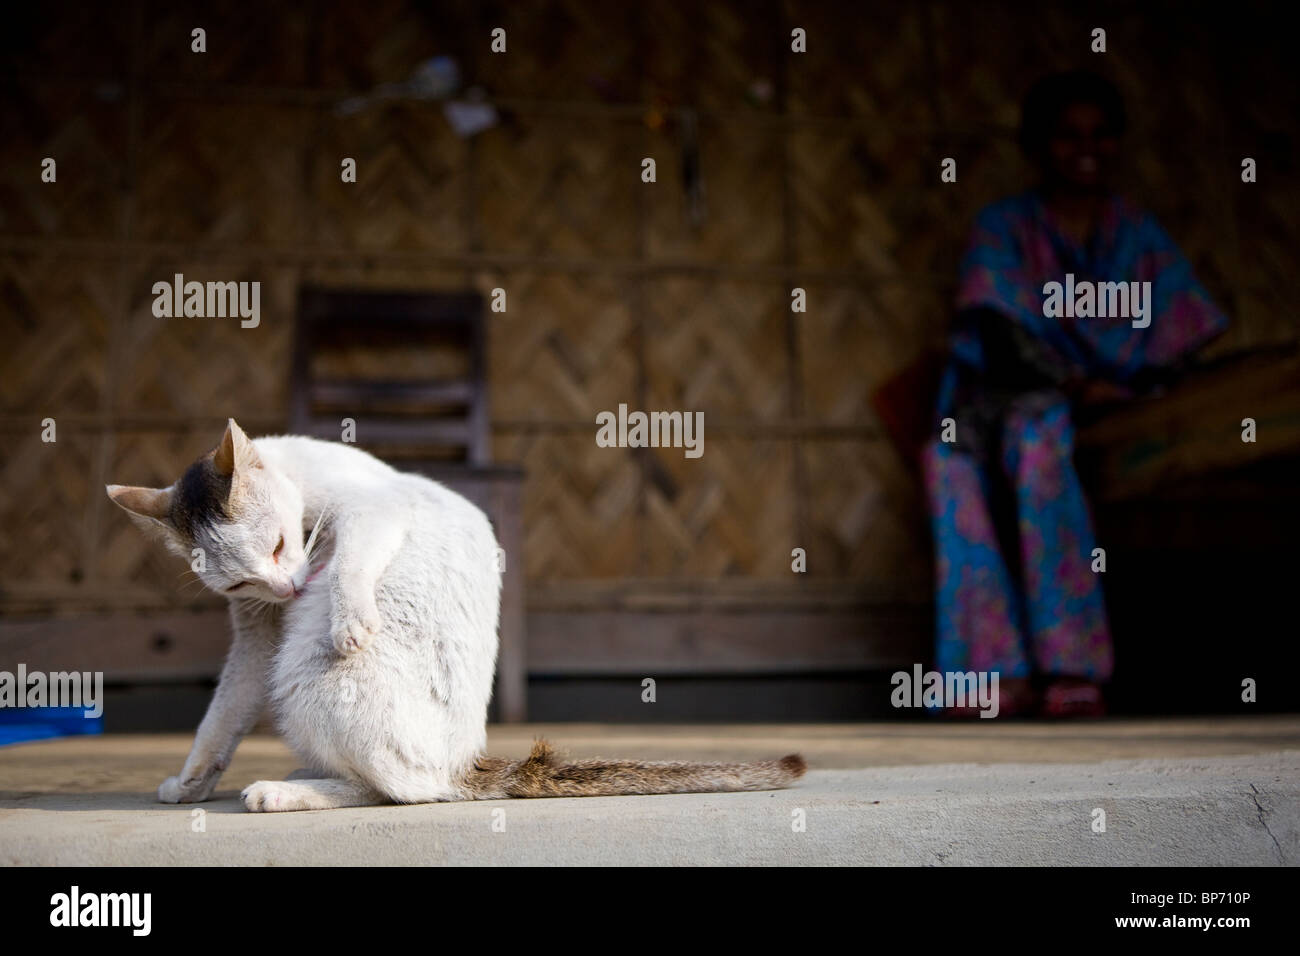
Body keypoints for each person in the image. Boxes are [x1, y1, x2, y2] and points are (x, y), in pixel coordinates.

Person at [923, 70, 1228, 717]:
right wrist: (1074, 384)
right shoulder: (1006, 226)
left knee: (1040, 451)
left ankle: (1071, 665)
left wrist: (1135, 390)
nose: (1085, 148)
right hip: (1003, 397)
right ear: (1039, 146)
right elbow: (1000, 330)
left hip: (1103, 411)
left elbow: (1182, 327)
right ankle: (990, 675)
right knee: (951, 461)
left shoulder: (1136, 234)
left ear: (1117, 143)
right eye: (1067, 136)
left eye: (1100, 135)